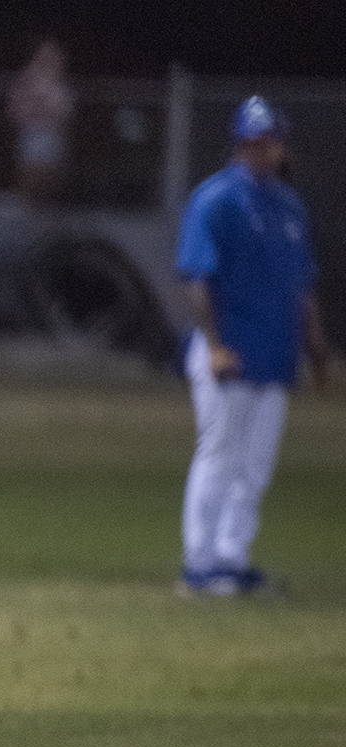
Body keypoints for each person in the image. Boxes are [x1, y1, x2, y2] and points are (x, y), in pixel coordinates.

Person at [176, 96, 335, 596]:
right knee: (219, 455)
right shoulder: (216, 199)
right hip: (229, 353)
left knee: (255, 466)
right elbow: (197, 280)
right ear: (237, 145)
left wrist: (317, 348)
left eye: (267, 142)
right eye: (251, 142)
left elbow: (302, 286)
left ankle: (231, 557)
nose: (260, 151)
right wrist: (215, 344)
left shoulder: (289, 206)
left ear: (282, 145)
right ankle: (199, 564)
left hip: (273, 354)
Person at [6, 39, 74, 205]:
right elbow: (14, 110)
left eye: (52, 55)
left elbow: (66, 112)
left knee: (52, 175)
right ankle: (27, 208)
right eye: (44, 54)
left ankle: (46, 211)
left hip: (53, 133)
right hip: (32, 133)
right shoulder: (26, 80)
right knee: (30, 172)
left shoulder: (60, 85)